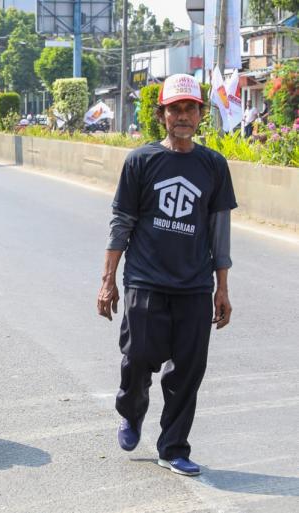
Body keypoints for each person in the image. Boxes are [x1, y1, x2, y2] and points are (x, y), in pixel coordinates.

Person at [96, 74, 237, 477]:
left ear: (200, 115)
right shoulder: (141, 161)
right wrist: (108, 279)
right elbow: (121, 221)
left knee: (188, 371)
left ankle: (173, 447)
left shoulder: (213, 164)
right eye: (174, 108)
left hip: (194, 284)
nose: (182, 116)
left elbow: (219, 232)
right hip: (144, 280)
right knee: (138, 357)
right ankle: (132, 409)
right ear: (162, 115)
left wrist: (222, 288)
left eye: (189, 108)